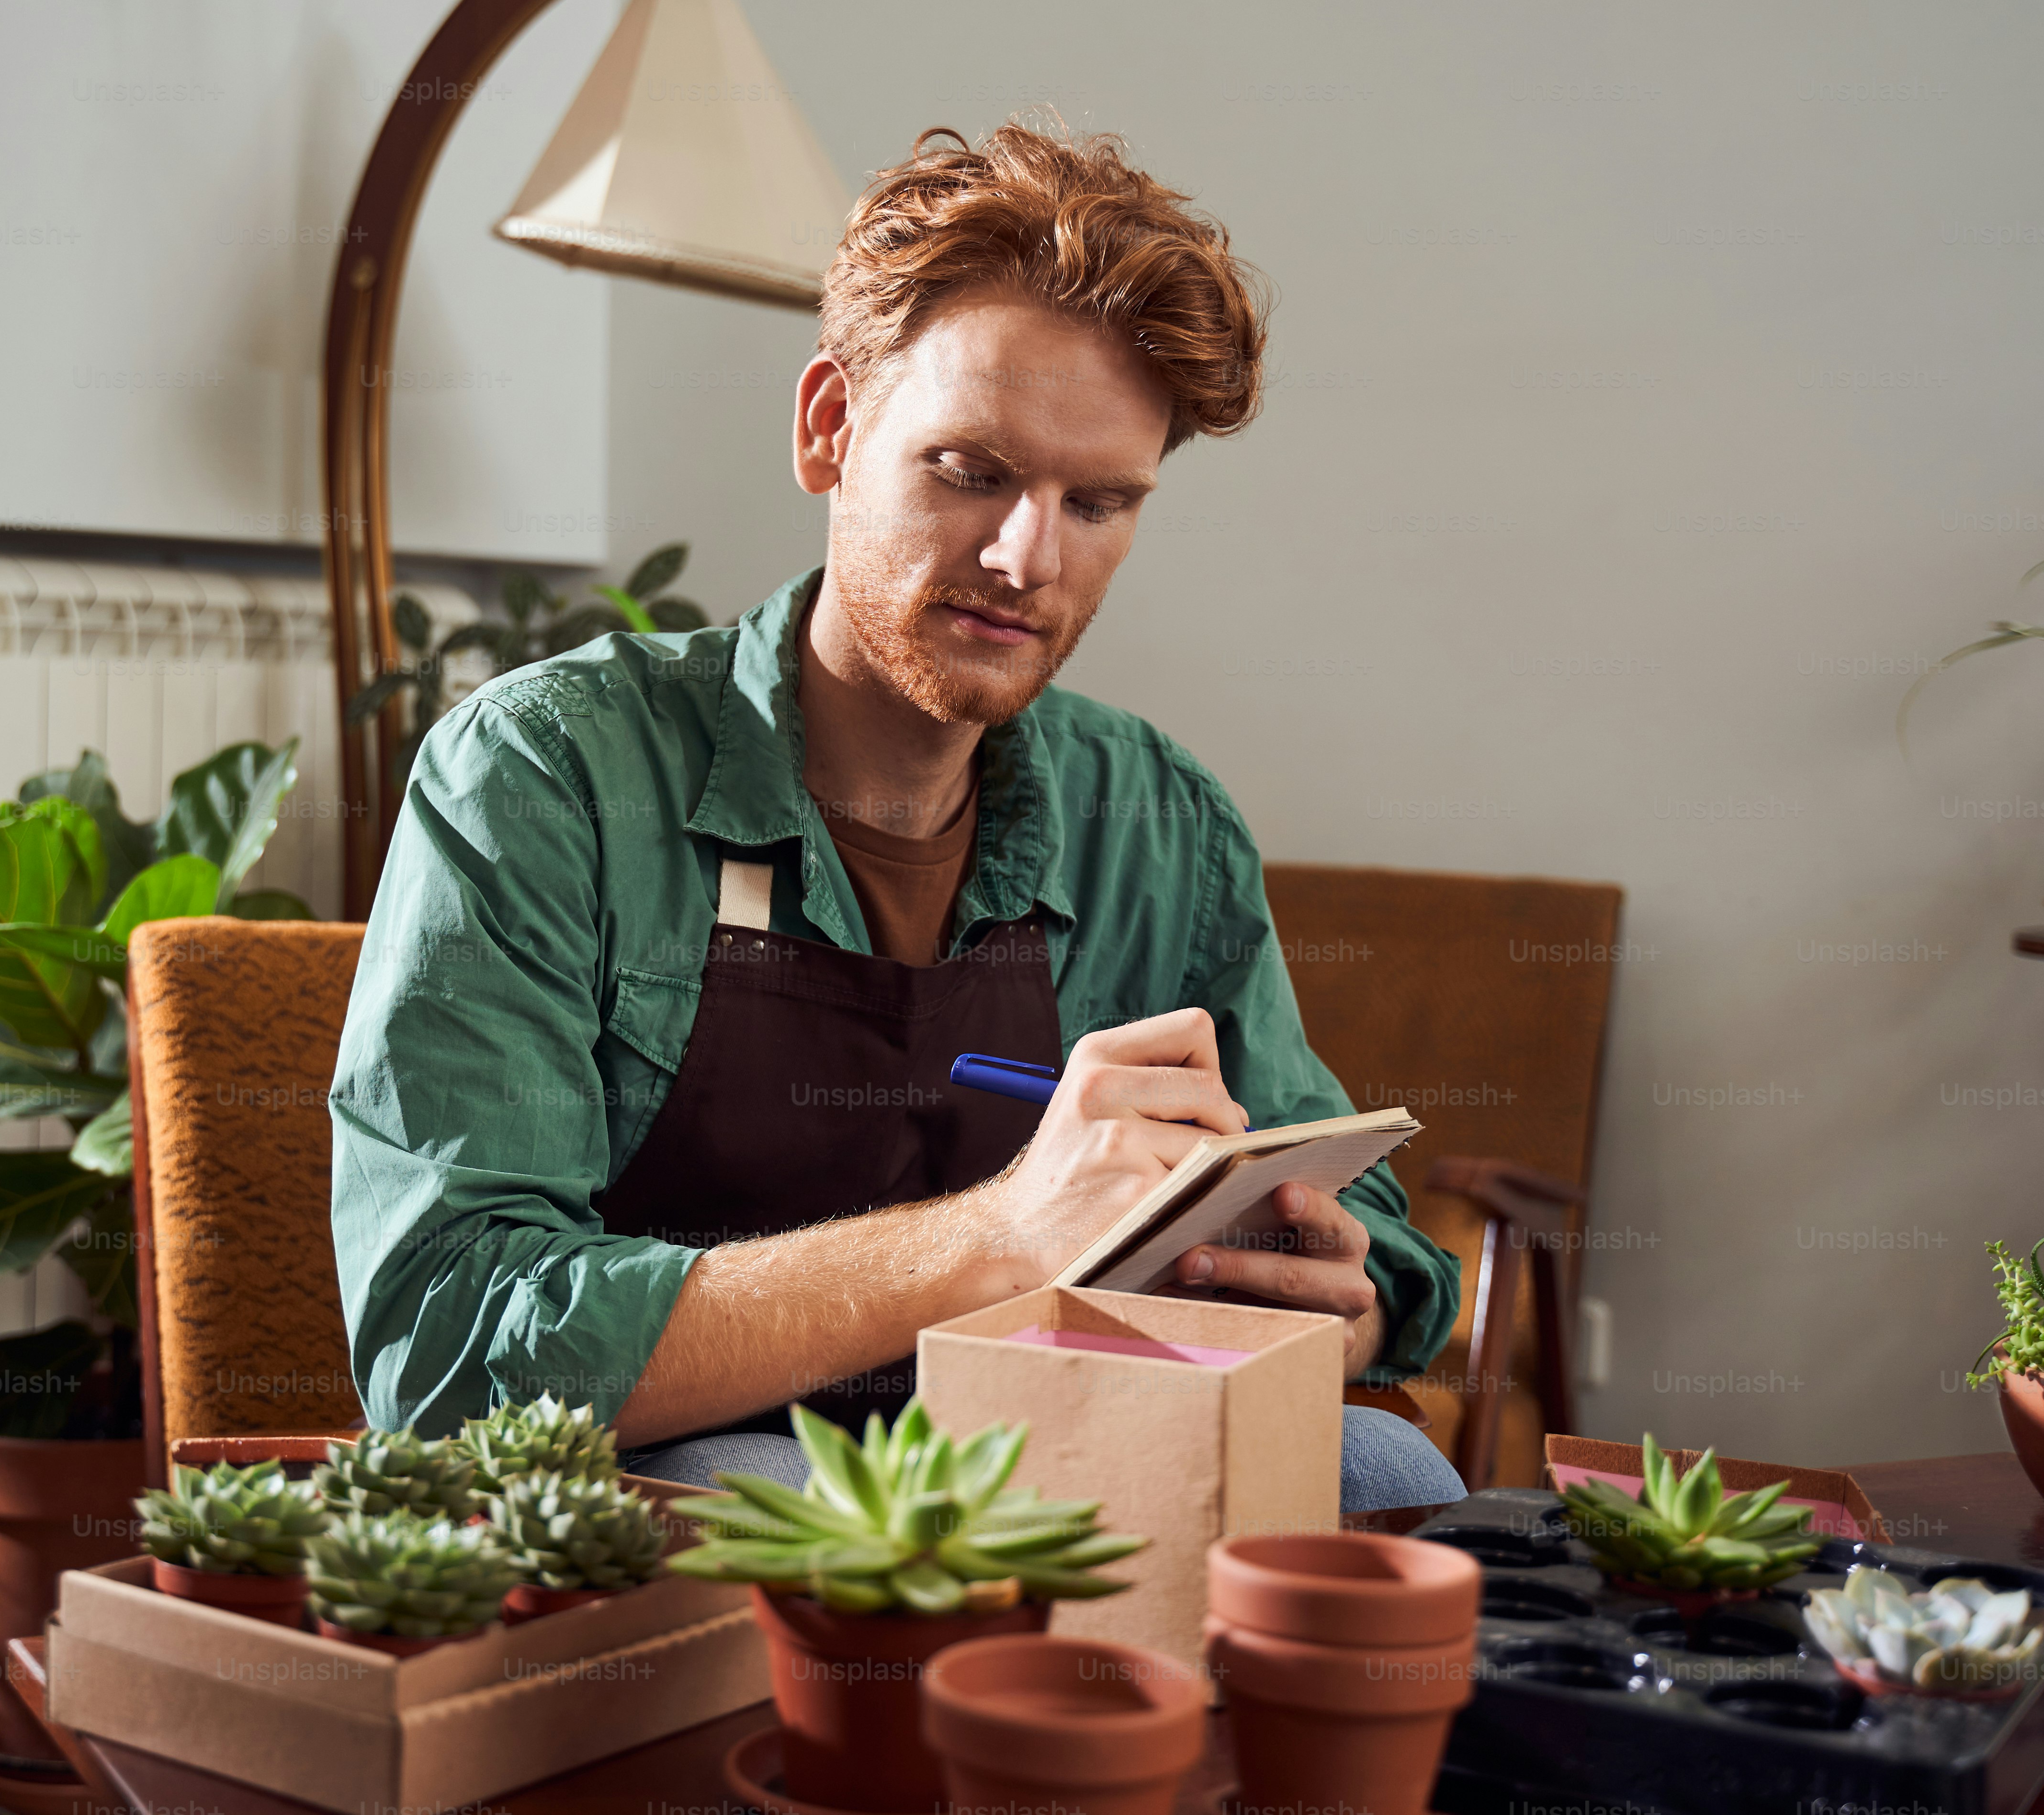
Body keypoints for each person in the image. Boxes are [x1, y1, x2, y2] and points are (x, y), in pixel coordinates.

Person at [330, 122, 1465, 1509]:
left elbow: (1372, 1233)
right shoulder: (545, 776)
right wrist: (1001, 1238)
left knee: (1389, 1469)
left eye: (1098, 502)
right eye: (971, 471)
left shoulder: (1160, 821)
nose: (1026, 559)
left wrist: (1342, 1291)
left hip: (1049, 1428)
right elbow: (446, 1335)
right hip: (684, 1458)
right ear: (830, 427)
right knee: (819, 1522)